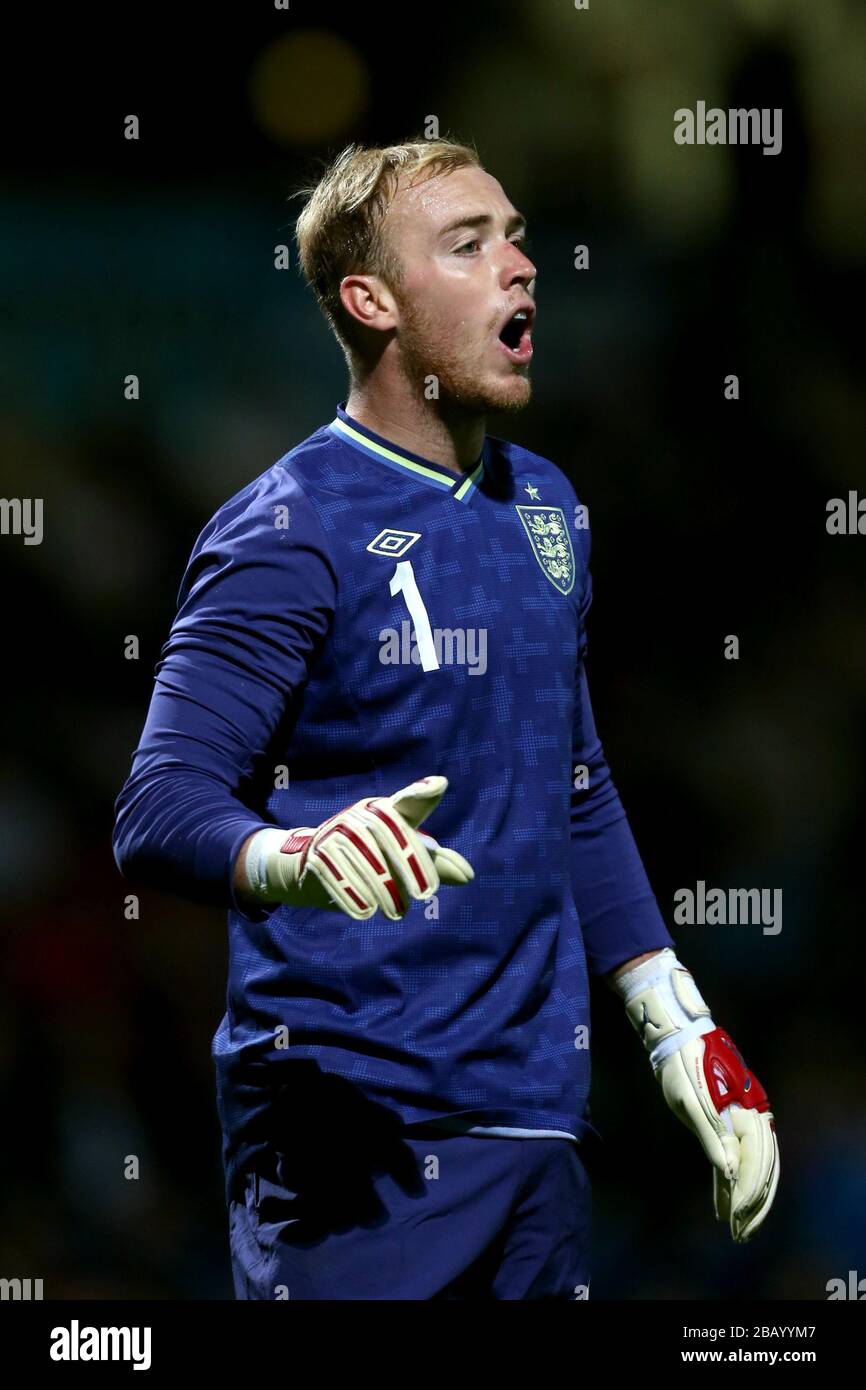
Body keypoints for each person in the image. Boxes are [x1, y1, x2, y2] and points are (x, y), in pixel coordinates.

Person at [112, 136, 779, 1300]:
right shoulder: (289, 529)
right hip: (347, 1129)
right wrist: (293, 855)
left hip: (534, 1119)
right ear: (370, 301)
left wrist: (677, 1024)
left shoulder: (549, 509)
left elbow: (573, 782)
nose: (519, 266)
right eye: (467, 246)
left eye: (514, 236)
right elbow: (156, 805)